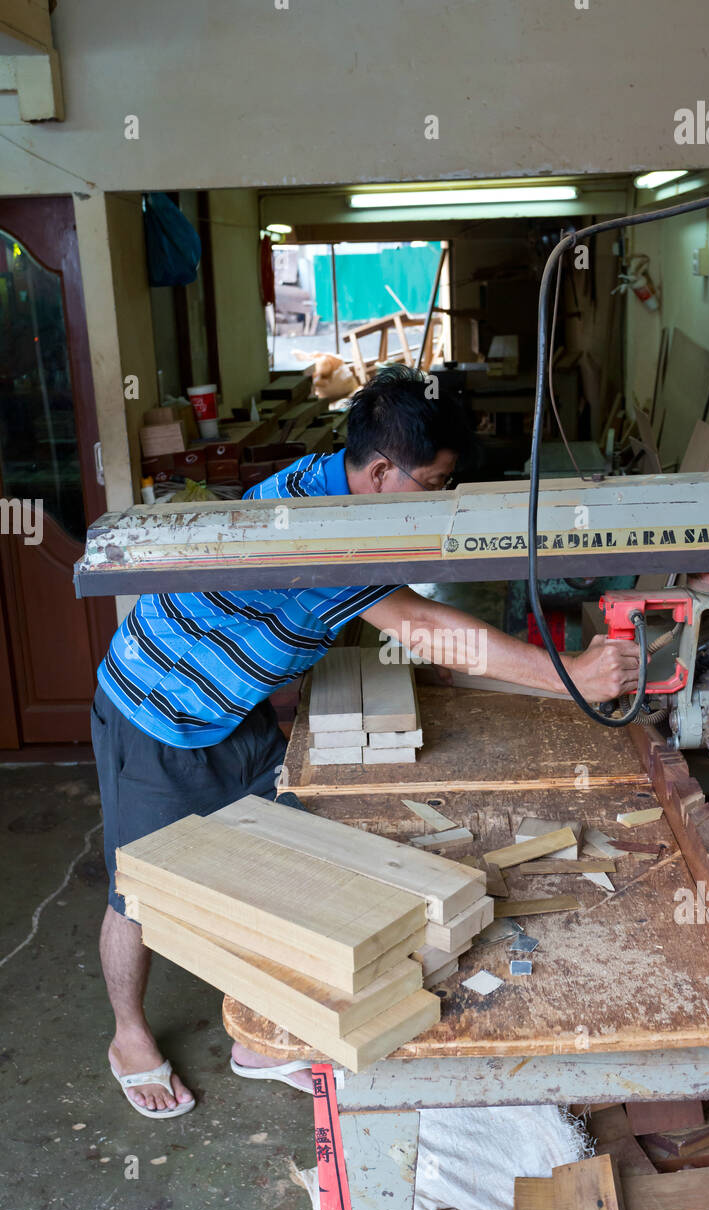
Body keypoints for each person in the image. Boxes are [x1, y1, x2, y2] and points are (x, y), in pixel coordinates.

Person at [92, 366, 639, 1115]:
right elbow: (424, 623)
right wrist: (572, 673)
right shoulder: (318, 528)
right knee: (141, 894)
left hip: (237, 708)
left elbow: (378, 616)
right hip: (156, 710)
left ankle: (262, 1034)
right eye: (436, 483)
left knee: (272, 857)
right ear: (381, 472)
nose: (442, 499)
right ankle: (128, 1035)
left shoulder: (339, 485)